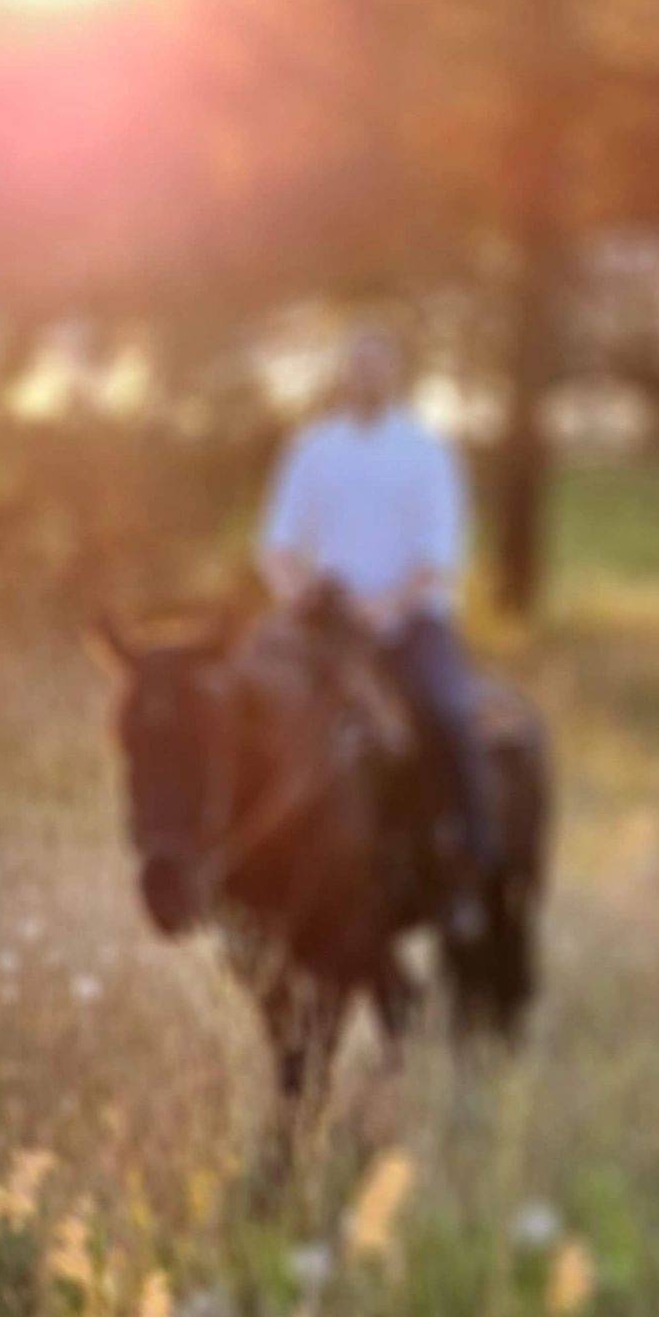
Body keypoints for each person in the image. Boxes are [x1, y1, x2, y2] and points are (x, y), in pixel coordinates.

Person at [255, 325, 501, 932]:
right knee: (245, 697)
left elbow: (439, 557)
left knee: (446, 711)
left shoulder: (427, 452)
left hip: (411, 625)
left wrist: (382, 606)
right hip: (323, 625)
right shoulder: (310, 448)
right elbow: (276, 545)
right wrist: (298, 592)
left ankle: (467, 861)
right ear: (342, 374)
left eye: (377, 365)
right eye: (355, 365)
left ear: (396, 374)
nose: (364, 376)